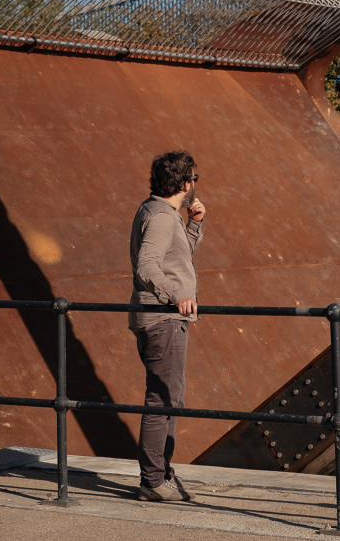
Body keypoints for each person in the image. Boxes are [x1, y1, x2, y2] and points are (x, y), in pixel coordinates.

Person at [128, 150, 205, 503]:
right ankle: (154, 481)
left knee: (168, 397)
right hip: (164, 319)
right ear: (186, 183)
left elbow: (177, 259)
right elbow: (148, 266)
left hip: (162, 318)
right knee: (161, 400)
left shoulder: (156, 210)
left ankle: (160, 474)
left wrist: (194, 225)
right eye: (195, 179)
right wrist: (177, 296)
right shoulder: (160, 216)